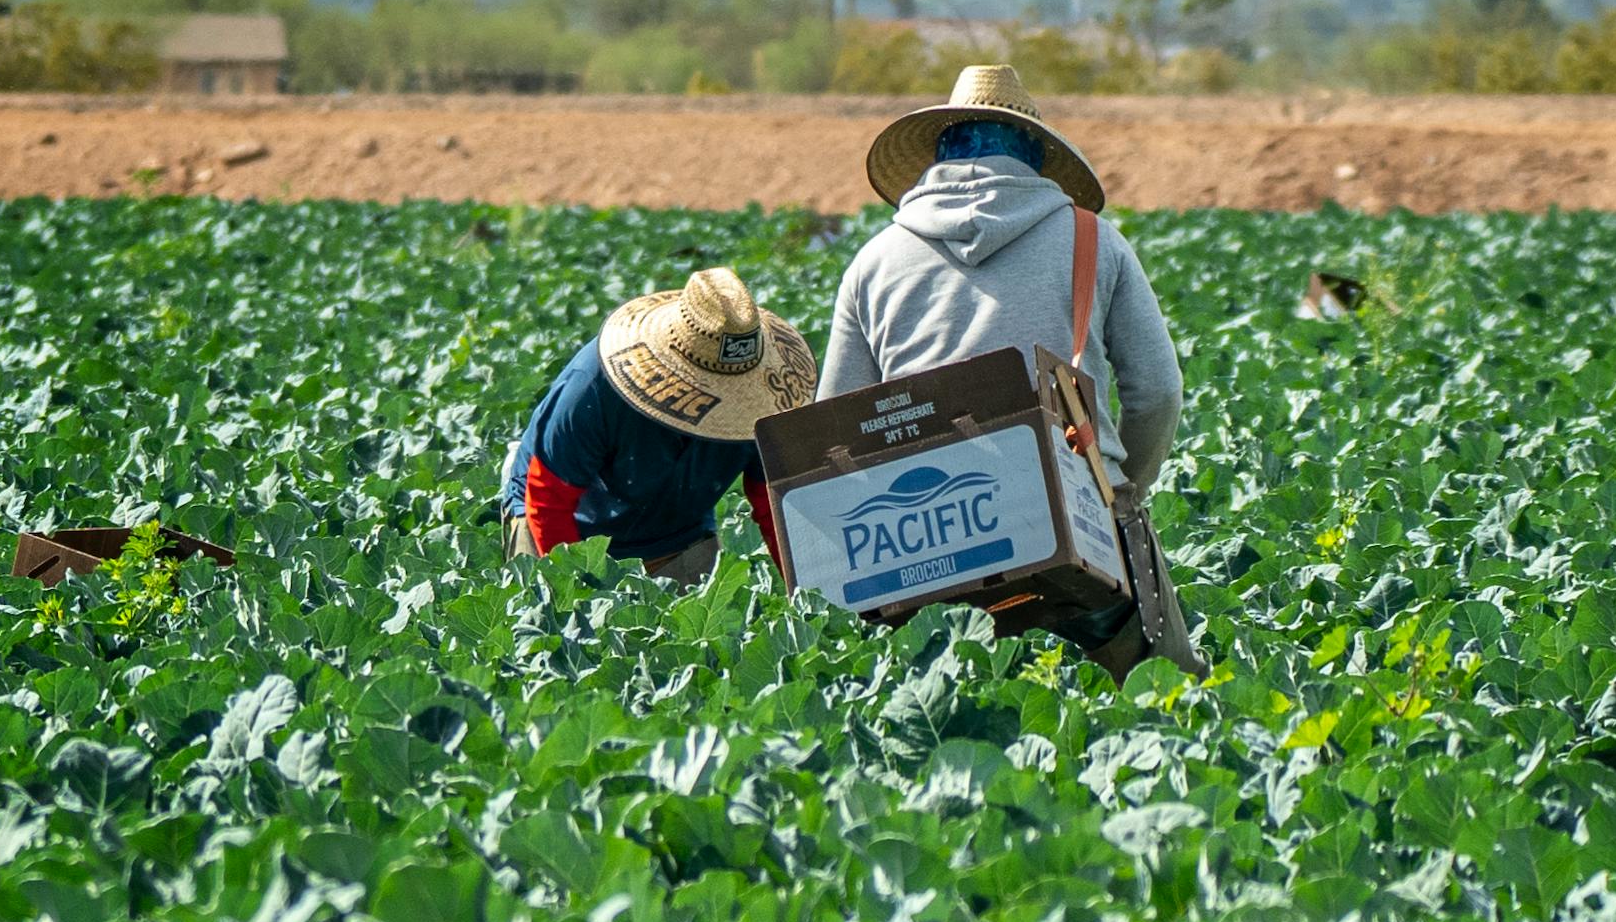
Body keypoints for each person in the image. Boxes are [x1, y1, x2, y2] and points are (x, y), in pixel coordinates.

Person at [815, 58, 1180, 488]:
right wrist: (1122, 485)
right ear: (1034, 155)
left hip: (930, 510)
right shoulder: (1094, 241)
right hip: (1077, 503)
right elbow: (1158, 393)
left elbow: (836, 422)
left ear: (940, 151)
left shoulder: (872, 261)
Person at [505, 265, 818, 579]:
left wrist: (815, 590)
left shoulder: (768, 397)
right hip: (571, 521)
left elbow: (774, 503)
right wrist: (574, 586)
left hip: (677, 529)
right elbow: (548, 500)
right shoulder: (592, 386)